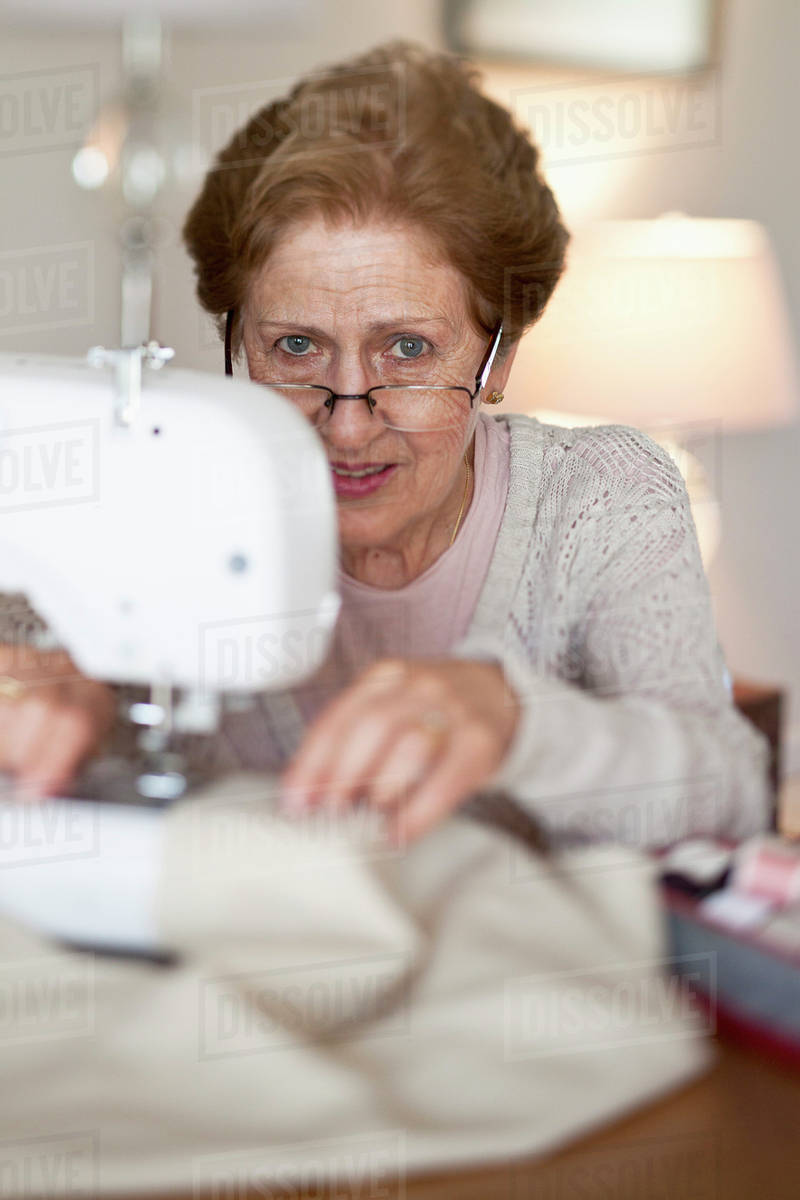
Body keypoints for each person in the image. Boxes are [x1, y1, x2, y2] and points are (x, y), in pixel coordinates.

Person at [0, 41, 769, 849]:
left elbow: (729, 790)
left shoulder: (600, 498)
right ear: (237, 342)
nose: (348, 426)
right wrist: (43, 694)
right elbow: (28, 668)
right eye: (296, 346)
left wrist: (513, 719)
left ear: (499, 356)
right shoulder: (151, 489)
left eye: (407, 349)